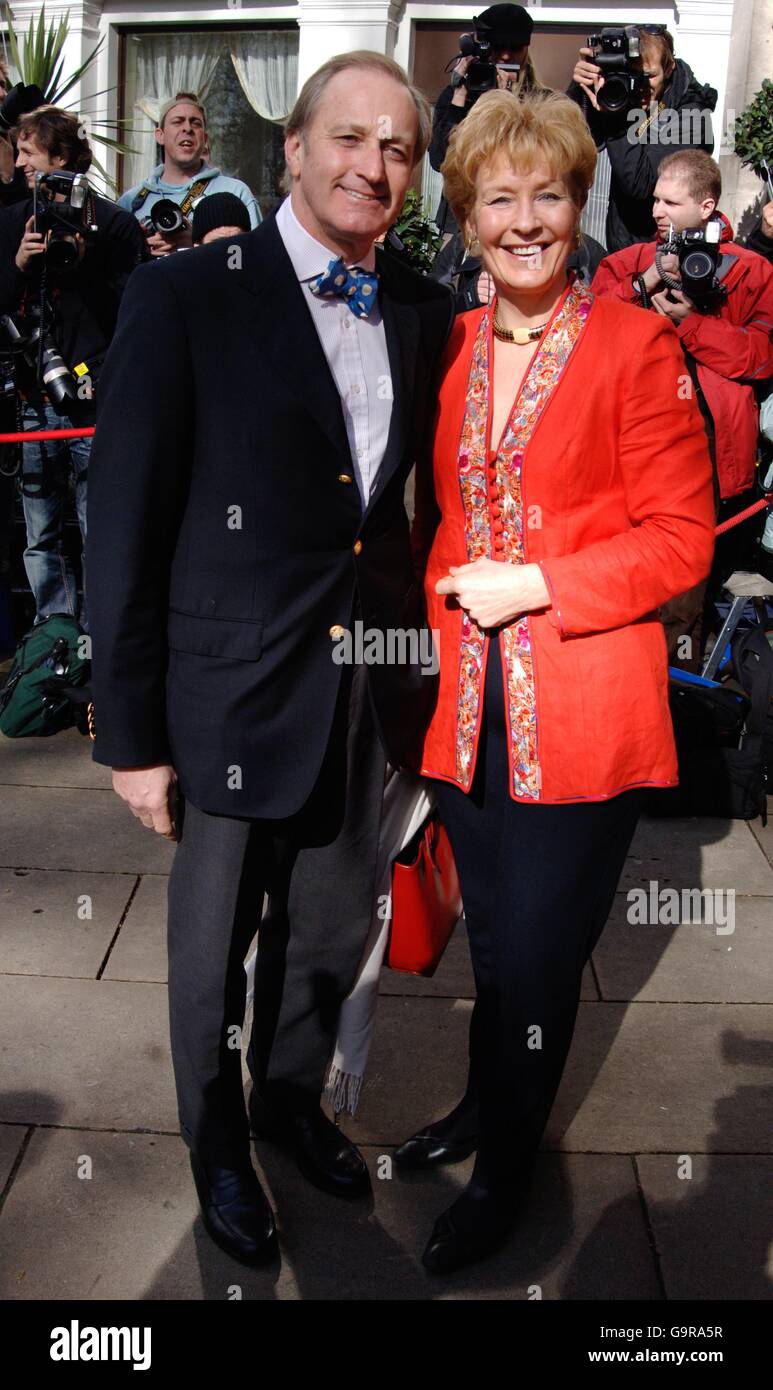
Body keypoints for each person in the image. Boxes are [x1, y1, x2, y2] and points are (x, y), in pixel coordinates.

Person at [86, 51, 453, 1267]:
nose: (373, 166)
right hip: (224, 689)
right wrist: (129, 734)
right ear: (290, 149)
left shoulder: (416, 302)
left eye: (397, 148)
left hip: (366, 684)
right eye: (348, 138)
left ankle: (289, 1102)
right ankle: (216, 1144)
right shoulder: (189, 293)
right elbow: (124, 521)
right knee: (212, 944)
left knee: (329, 918)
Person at [398, 90, 716, 1275]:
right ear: (466, 215)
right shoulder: (450, 343)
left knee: (534, 958)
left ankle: (505, 1173)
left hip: (580, 713)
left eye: (547, 196)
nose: (523, 221)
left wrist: (536, 581)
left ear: (579, 204)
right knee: (493, 943)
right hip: (463, 711)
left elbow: (683, 541)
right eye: (497, 199)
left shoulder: (636, 344)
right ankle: (486, 1106)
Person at [592, 150, 773, 668]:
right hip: (631, 438)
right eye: (654, 198)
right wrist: (645, 282)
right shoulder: (629, 260)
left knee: (683, 580)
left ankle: (675, 692)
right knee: (629, 566)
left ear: (707, 205)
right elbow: (589, 322)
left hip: (711, 450)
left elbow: (759, 359)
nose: (656, 210)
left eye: (670, 201)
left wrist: (689, 324)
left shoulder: (753, 272)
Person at [0, 106, 145, 629]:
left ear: (61, 157)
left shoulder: (114, 225)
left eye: (29, 152)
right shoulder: (12, 221)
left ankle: (97, 638)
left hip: (92, 394)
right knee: (39, 532)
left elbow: (136, 315)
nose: (19, 164)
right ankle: (53, 635)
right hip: (32, 396)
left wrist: (89, 256)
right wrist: (18, 263)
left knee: (95, 524)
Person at [568, 25, 716, 252]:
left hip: (669, 252)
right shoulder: (626, 99)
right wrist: (581, 89)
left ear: (669, 68)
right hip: (623, 247)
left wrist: (616, 119)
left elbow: (640, 182)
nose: (640, 87)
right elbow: (572, 140)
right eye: (634, 76)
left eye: (649, 76)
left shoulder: (691, 115)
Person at [429, 4, 548, 236]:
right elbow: (439, 160)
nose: (505, 55)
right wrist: (461, 96)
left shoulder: (541, 101)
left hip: (521, 220)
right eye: (498, 47)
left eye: (514, 48)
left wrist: (506, 103)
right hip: (462, 223)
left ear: (526, 49)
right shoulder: (458, 95)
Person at [119, 92, 260, 257]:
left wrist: (197, 243)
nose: (187, 128)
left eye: (195, 123)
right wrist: (139, 248)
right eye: (177, 122)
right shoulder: (132, 202)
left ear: (205, 138)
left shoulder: (235, 193)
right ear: (160, 135)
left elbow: (256, 259)